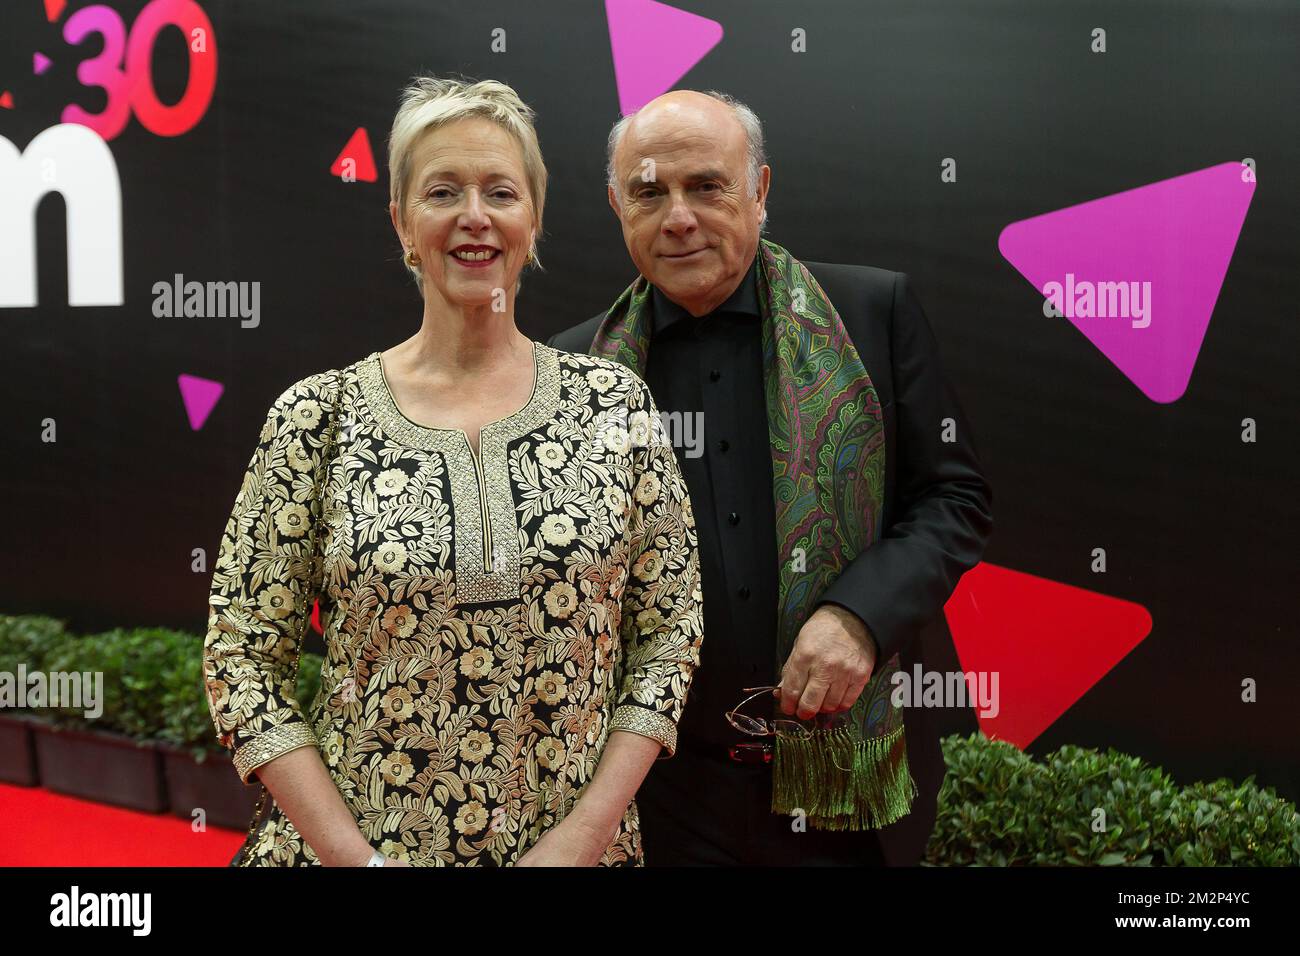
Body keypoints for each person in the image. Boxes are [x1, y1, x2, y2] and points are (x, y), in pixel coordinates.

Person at [203, 76, 703, 867]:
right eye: (443, 191)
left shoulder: (614, 404)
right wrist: (357, 861)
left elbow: (670, 635)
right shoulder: (317, 417)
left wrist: (584, 837)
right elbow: (241, 659)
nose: (474, 217)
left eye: (500, 191)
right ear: (403, 222)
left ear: (532, 219)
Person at [549, 89, 993, 866]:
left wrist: (860, 615)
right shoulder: (570, 367)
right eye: (650, 192)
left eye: (707, 186)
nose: (678, 216)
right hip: (657, 796)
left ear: (760, 191)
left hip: (847, 785)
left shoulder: (870, 311)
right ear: (618, 206)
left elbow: (953, 499)